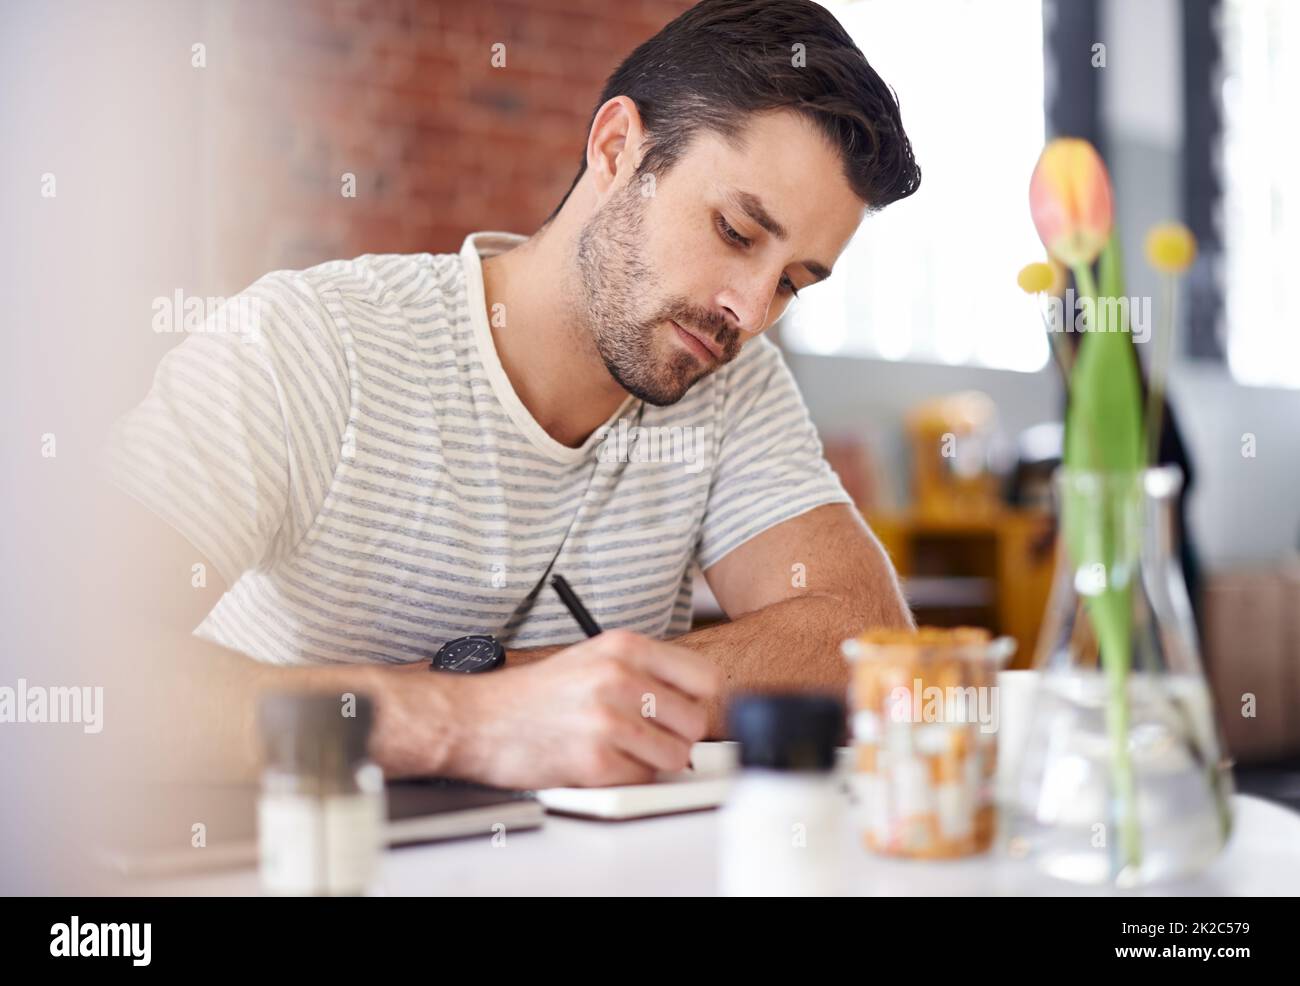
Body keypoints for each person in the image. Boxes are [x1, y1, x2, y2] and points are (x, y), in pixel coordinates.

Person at [104, 0, 919, 790]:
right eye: (735, 233)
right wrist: (469, 719)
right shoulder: (307, 343)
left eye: (793, 284)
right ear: (616, 150)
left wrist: (548, 691)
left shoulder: (729, 381)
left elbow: (862, 640)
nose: (751, 310)